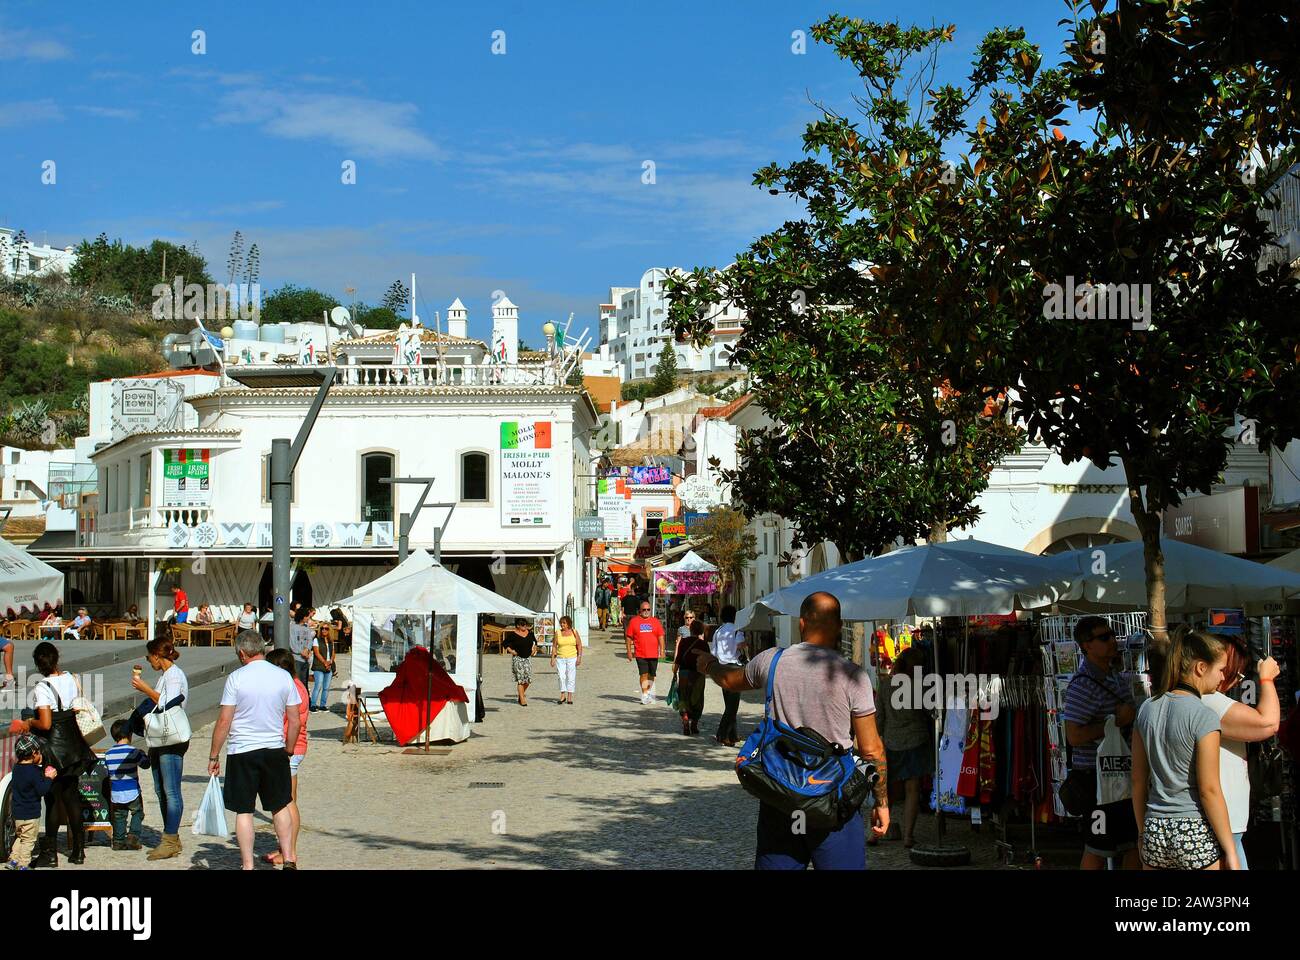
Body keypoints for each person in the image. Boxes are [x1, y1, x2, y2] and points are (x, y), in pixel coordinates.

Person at [694, 592, 889, 870]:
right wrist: (881, 802)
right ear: (838, 626)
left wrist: (709, 664)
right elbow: (872, 749)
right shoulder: (853, 676)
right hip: (833, 802)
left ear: (801, 624)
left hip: (782, 798)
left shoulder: (771, 661)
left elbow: (729, 679)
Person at [1132, 628, 1239, 870]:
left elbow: (1138, 780)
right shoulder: (1204, 717)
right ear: (1201, 668)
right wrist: (1231, 850)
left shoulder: (1146, 709)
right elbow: (1209, 790)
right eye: (1221, 670)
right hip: (1193, 828)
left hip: (1154, 828)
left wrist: (1141, 834)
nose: (1223, 678)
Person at [208, 630, 301, 870]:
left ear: (242, 652)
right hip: (274, 748)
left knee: (244, 810)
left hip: (243, 750)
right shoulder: (283, 677)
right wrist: (288, 749)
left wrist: (214, 754)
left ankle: (248, 865)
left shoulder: (236, 678)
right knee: (280, 805)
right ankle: (289, 857)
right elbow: (295, 719)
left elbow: (224, 721)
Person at [1062, 616, 1140, 869]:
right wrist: (1115, 722)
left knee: (1133, 844)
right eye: (1104, 637)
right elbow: (1073, 735)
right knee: (1097, 848)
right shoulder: (1083, 685)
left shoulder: (1115, 676)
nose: (1112, 641)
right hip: (1097, 781)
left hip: (1123, 775)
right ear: (1087, 645)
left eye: (1112, 635)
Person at [1199, 640, 1281, 870]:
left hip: (1222, 823)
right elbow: (1269, 724)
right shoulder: (1210, 702)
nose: (1237, 681)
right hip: (1222, 823)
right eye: (1238, 674)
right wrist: (1266, 679)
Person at [22, 641, 95, 866]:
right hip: (73, 744)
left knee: (53, 800)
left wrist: (28, 722)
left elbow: (44, 723)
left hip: (54, 747)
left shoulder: (43, 687)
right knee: (72, 797)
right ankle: (78, 851)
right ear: (57, 658)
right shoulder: (71, 678)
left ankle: (50, 854)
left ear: (38, 664)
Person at [131, 637, 190, 860]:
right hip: (160, 737)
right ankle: (170, 836)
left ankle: (170, 839)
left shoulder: (174, 675)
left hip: (172, 739)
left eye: (149, 657)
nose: (149, 662)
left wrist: (145, 688)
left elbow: (167, 703)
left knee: (171, 790)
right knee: (161, 789)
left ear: (157, 655)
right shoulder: (165, 676)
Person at [874, 646, 932, 848]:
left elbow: (879, 717)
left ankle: (874, 832)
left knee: (886, 790)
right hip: (916, 741)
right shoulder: (919, 685)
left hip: (891, 742)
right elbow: (931, 710)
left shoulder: (885, 685)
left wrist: (878, 738)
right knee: (912, 790)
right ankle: (908, 835)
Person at [263, 649, 310, 867]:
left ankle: (289, 852)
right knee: (288, 799)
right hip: (293, 747)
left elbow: (290, 722)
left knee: (287, 801)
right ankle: (285, 848)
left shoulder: (292, 689)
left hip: (289, 749)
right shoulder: (296, 685)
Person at [4, 734, 56, 870]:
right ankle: (23, 864)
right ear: (34, 753)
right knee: (28, 841)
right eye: (39, 751)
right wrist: (49, 778)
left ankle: (13, 860)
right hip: (30, 815)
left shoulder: (16, 769)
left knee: (20, 838)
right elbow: (42, 790)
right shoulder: (34, 772)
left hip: (17, 813)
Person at [104, 719, 150, 851]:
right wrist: (144, 754)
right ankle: (133, 837)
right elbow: (145, 765)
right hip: (132, 791)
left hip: (116, 792)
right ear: (130, 734)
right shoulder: (133, 752)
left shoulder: (108, 754)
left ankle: (118, 841)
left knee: (119, 816)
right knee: (138, 813)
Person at [709, 606, 747, 746]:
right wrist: (744, 642)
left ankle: (733, 734)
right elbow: (740, 645)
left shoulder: (718, 631)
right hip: (734, 668)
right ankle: (722, 734)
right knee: (732, 706)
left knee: (729, 703)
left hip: (722, 668)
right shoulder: (737, 629)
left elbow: (713, 651)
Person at [673, 619, 710, 736]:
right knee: (697, 698)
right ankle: (694, 724)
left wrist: (675, 671)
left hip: (684, 672)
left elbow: (678, 658)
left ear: (691, 629)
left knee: (684, 696)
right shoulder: (703, 644)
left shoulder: (684, 642)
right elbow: (707, 660)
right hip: (698, 674)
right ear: (701, 631)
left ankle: (685, 716)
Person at [625, 598, 664, 705]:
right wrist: (629, 651)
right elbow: (628, 638)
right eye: (644, 610)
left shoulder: (655, 621)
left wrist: (662, 651)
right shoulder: (634, 621)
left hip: (653, 653)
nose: (646, 611)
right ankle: (645, 694)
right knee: (643, 674)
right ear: (640, 611)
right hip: (640, 653)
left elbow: (660, 637)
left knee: (652, 675)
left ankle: (649, 691)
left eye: (648, 609)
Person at [504, 618, 537, 706]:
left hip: (527, 658)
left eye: (525, 625)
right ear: (518, 626)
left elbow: (535, 642)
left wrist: (534, 649)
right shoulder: (513, 635)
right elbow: (505, 643)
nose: (525, 626)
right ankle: (522, 699)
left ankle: (520, 695)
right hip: (518, 659)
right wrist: (511, 651)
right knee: (521, 680)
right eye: (523, 625)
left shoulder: (530, 634)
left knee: (528, 680)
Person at [551, 615, 581, 705]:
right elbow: (554, 646)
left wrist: (579, 657)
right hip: (560, 658)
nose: (562, 625)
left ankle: (569, 697)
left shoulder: (574, 632)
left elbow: (579, 645)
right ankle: (562, 695)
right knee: (561, 676)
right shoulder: (558, 633)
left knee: (571, 677)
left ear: (568, 623)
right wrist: (552, 658)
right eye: (561, 623)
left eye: (564, 623)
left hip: (572, 657)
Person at [310, 624, 336, 712]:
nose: (324, 630)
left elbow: (333, 653)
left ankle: (322, 705)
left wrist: (330, 662)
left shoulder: (331, 641)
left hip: (329, 665)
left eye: (326, 629)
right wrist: (325, 662)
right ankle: (313, 704)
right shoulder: (316, 640)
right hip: (319, 665)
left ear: (329, 630)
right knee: (318, 685)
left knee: (326, 687)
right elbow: (316, 653)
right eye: (322, 628)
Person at [289, 608, 316, 687]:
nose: (308, 618)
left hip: (305, 659)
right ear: (302, 616)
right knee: (297, 681)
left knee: (304, 681)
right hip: (296, 658)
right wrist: (301, 652)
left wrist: (307, 649)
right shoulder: (292, 627)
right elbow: (292, 643)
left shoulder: (306, 627)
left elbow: (309, 640)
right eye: (307, 616)